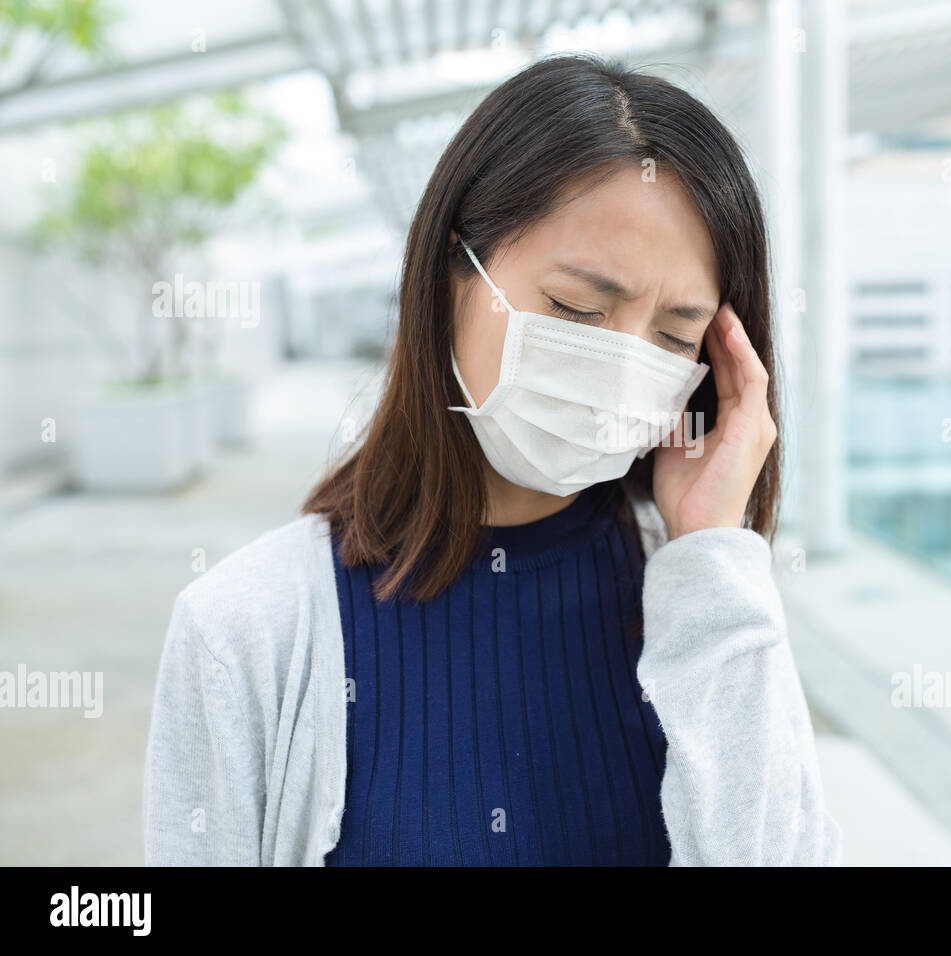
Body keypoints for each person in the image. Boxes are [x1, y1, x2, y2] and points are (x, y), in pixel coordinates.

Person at [142, 54, 842, 866]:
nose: (620, 369)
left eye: (675, 336)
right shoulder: (246, 629)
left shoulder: (705, 600)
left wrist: (713, 555)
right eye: (578, 309)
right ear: (450, 278)